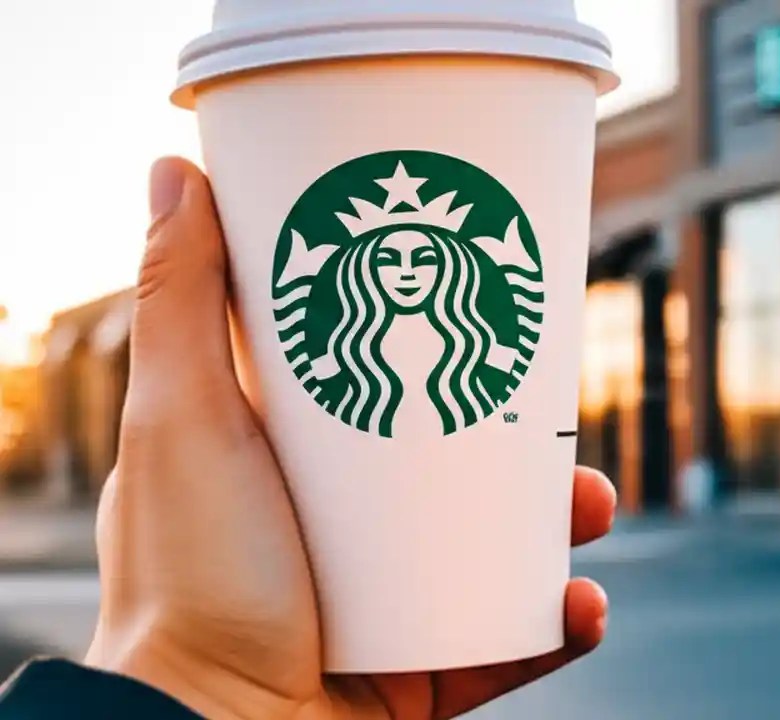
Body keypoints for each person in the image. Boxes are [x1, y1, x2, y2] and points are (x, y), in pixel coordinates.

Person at [0, 158, 616, 719]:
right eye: (387, 259)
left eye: (423, 259)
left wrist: (197, 687)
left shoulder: (467, 355)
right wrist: (201, 679)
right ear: (361, 270)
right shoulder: (351, 357)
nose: (406, 274)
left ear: (453, 267)